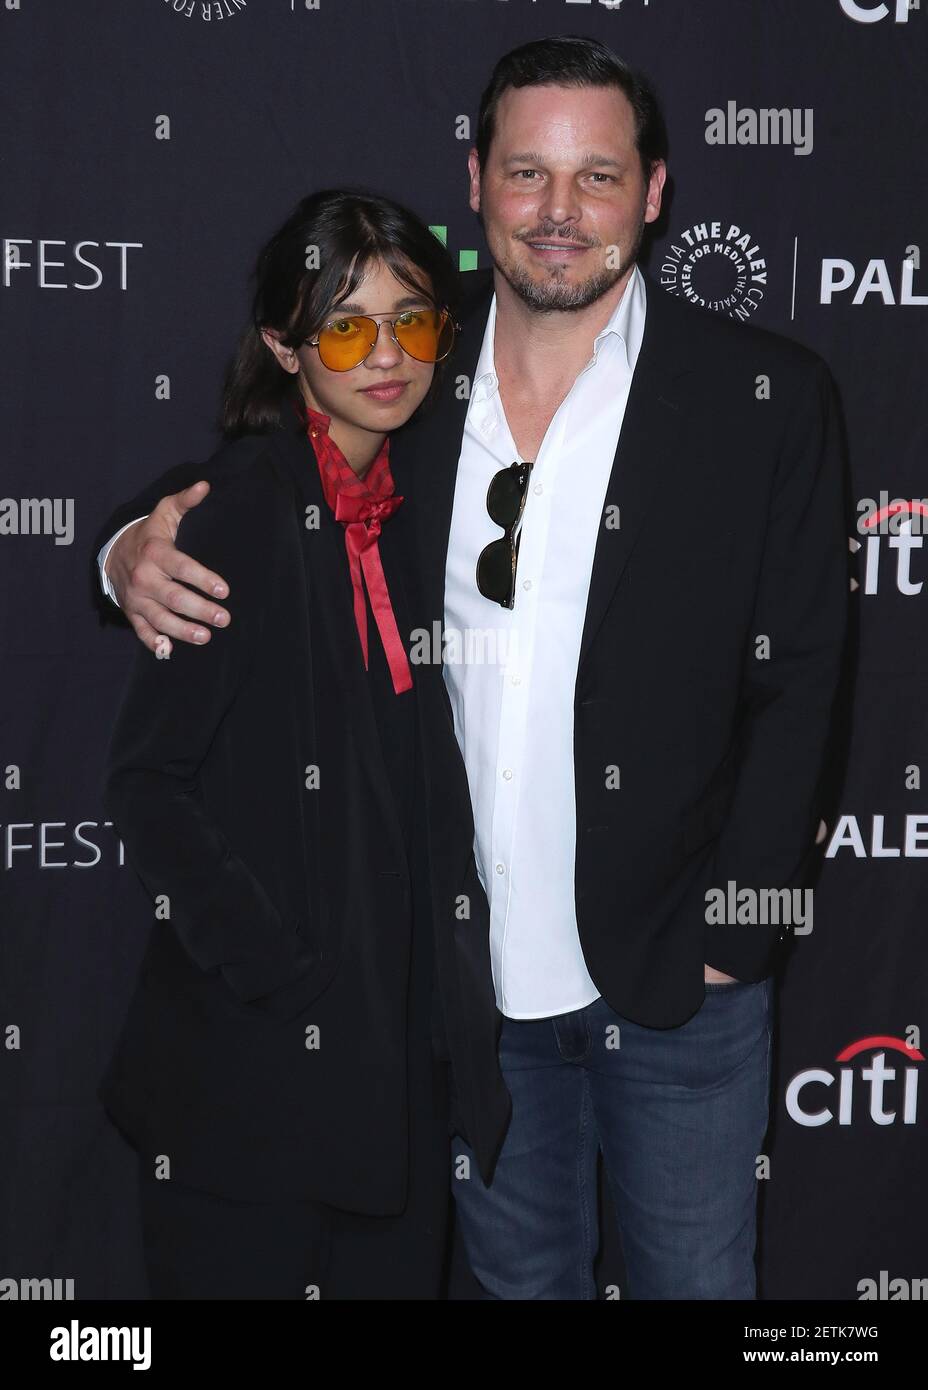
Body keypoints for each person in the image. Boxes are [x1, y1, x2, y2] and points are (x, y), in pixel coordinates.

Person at [97, 37, 849, 1299]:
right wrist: (122, 550)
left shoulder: (763, 395)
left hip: (678, 987)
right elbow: (238, 478)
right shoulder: (407, 375)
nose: (559, 214)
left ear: (653, 192)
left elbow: (807, 678)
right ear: (477, 181)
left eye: (596, 176)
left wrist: (734, 934)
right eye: (526, 175)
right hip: (462, 999)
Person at [95, 188, 510, 1300]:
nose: (386, 354)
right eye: (343, 326)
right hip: (250, 1083)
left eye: (411, 321)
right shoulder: (239, 513)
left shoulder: (418, 489)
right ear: (284, 345)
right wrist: (273, 972)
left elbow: (543, 275)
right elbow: (147, 782)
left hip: (399, 1077)